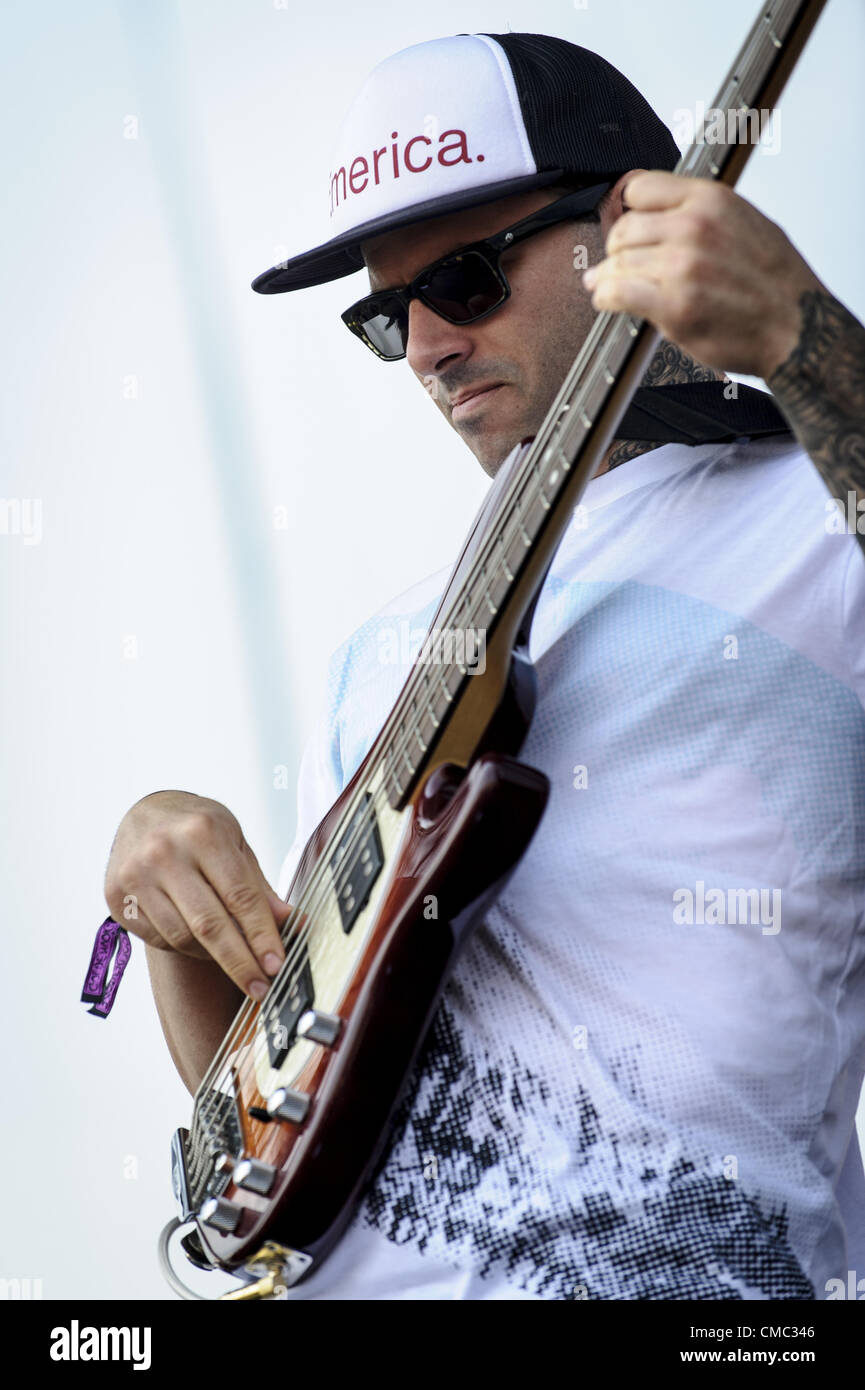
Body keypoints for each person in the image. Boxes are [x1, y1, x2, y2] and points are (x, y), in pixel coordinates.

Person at [104, 32, 865, 1300]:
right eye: (382, 313)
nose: (424, 348)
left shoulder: (817, 522)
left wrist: (803, 341)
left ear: (625, 229)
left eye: (463, 280)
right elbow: (288, 1130)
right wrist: (171, 914)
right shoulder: (384, 656)